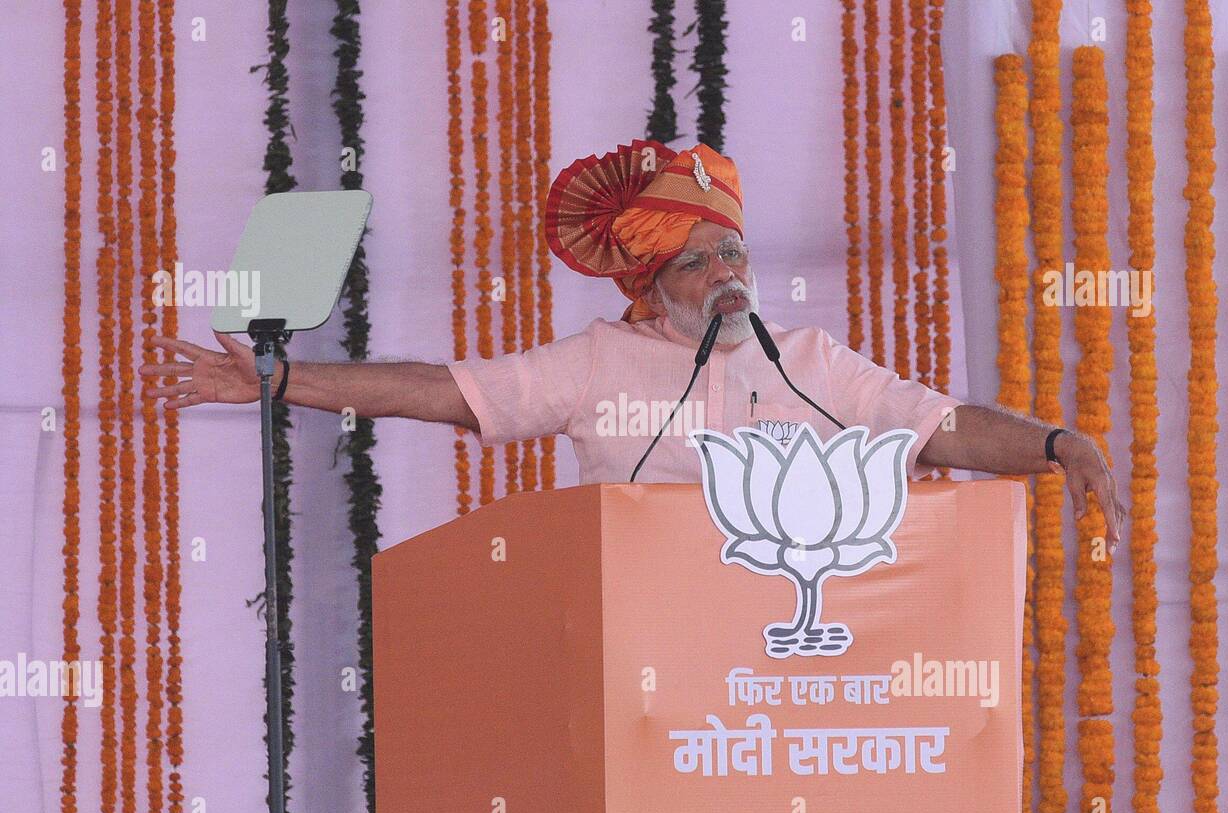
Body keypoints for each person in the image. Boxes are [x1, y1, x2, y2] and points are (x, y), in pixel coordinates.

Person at [140, 139, 1126, 551]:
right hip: (649, 672)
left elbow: (944, 431)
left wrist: (1054, 445)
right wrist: (282, 379)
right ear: (652, 287)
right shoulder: (596, 364)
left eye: (734, 251)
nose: (727, 272)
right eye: (698, 261)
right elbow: (442, 391)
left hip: (805, 689)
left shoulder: (817, 363)